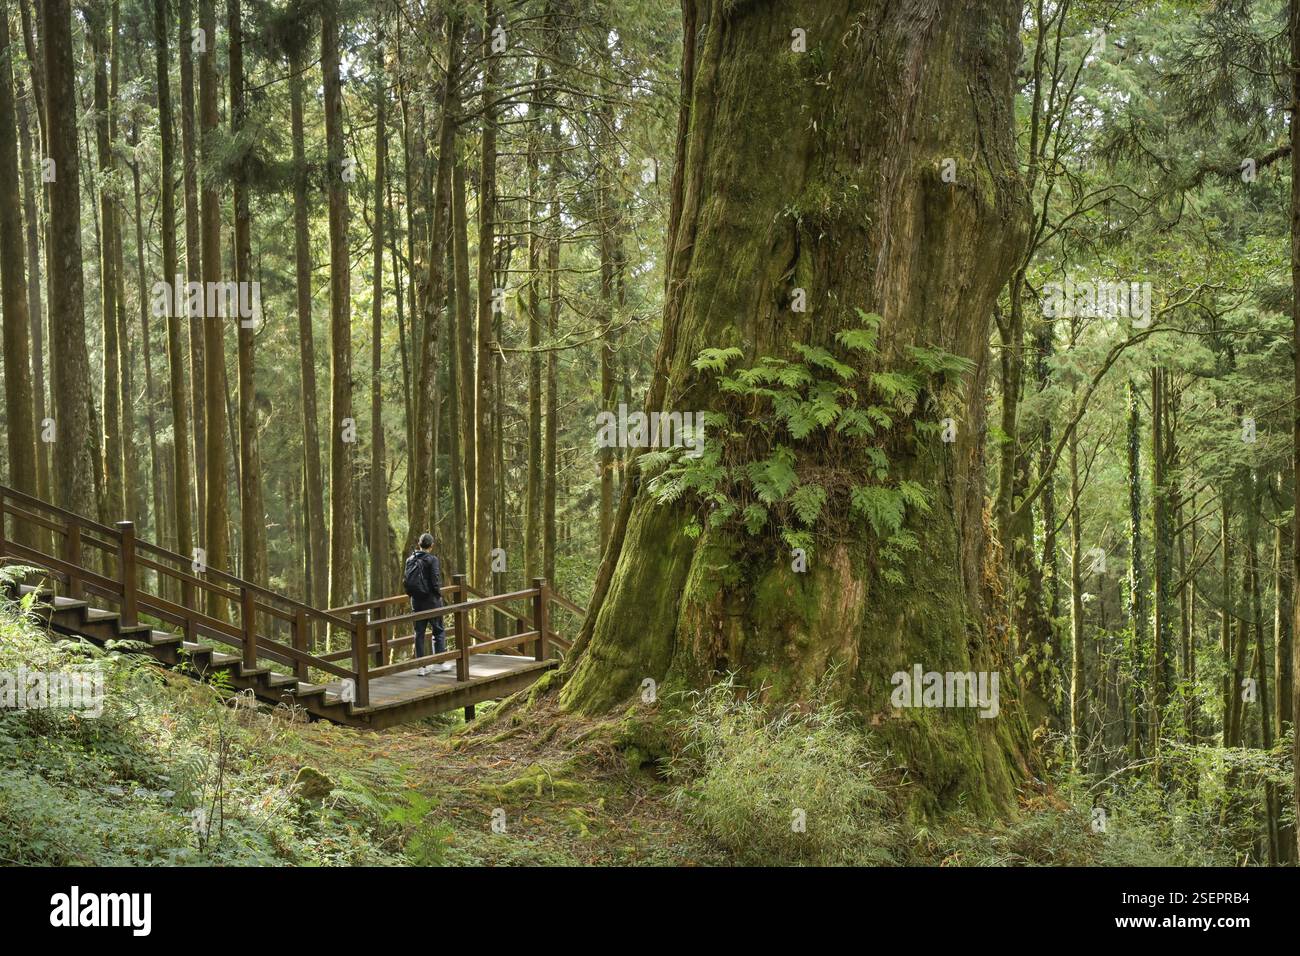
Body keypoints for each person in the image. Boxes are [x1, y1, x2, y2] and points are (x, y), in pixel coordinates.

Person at [403, 532, 451, 675]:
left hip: (416, 601)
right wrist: (438, 595)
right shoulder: (432, 559)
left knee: (419, 633)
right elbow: (435, 581)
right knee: (438, 631)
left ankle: (421, 667)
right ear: (431, 545)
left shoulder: (410, 559)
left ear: (419, 544)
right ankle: (439, 663)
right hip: (431, 601)